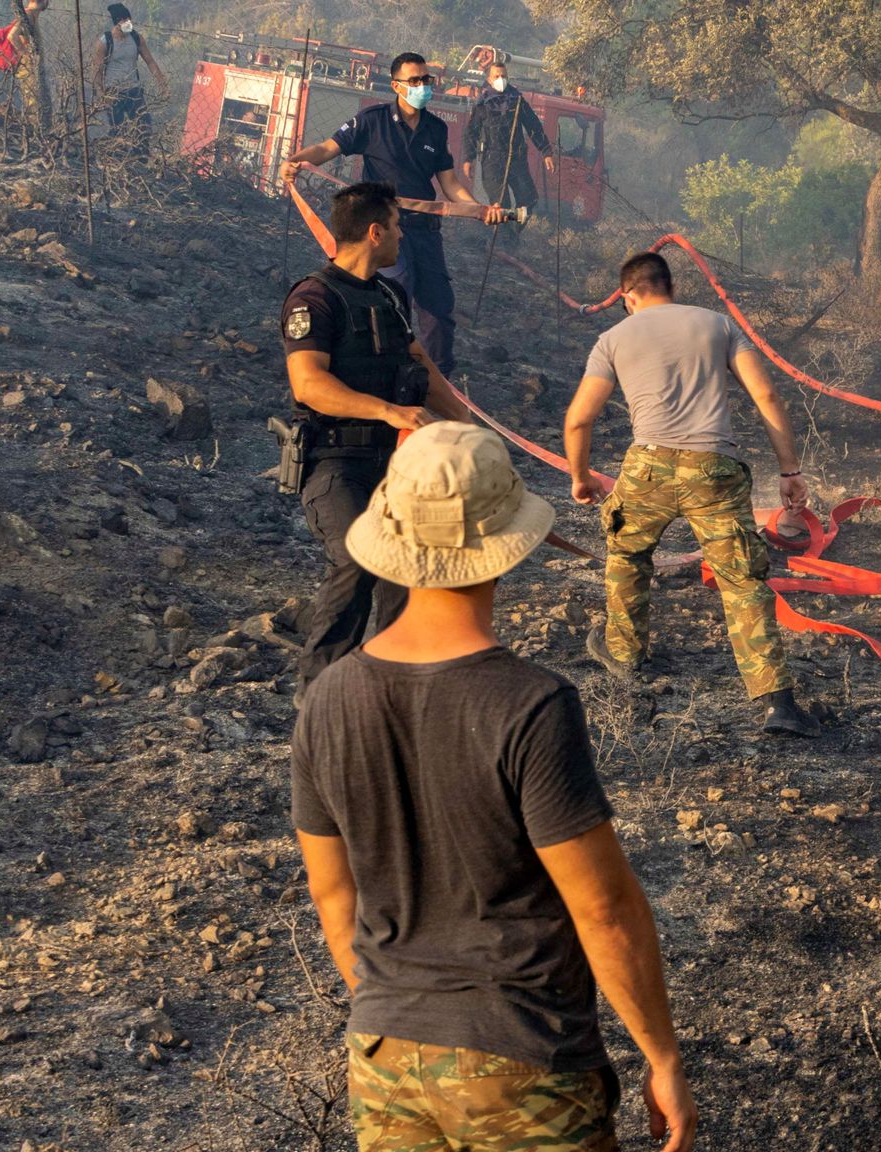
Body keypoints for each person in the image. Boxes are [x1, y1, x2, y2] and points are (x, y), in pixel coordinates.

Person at [293, 422, 697, 1152]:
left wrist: (397, 1011)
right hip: (523, 1056)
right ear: (505, 549)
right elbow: (601, 907)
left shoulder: (326, 698)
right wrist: (661, 1055)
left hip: (383, 1057)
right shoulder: (531, 704)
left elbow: (333, 894)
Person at [564, 253, 822, 738]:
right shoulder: (719, 325)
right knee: (743, 581)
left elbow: (580, 418)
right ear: (670, 287)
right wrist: (789, 470)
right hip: (714, 470)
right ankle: (777, 704)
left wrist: (581, 476)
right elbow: (766, 396)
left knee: (626, 556)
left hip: (648, 469)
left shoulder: (613, 338)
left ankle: (624, 652)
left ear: (627, 296)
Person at [279, 181, 477, 698]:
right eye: (396, 225)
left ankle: (393, 686)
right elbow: (309, 384)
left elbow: (423, 367)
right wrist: (391, 412)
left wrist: (471, 430)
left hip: (397, 463)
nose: (400, 236)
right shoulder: (314, 297)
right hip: (335, 462)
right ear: (374, 232)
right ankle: (318, 694)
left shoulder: (391, 294)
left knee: (408, 570)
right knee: (358, 557)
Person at [278, 52, 507, 379]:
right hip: (385, 230)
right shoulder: (371, 121)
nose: (422, 86)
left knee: (438, 309)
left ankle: (437, 382)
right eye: (414, 81)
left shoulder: (436, 129)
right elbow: (328, 148)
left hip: (426, 232)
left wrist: (480, 211)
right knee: (392, 299)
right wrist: (296, 161)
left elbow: (450, 183)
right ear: (397, 85)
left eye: (426, 80)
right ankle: (387, 373)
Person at [463, 60, 554, 247]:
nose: (501, 80)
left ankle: (513, 233)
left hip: (517, 159)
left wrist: (546, 151)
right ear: (489, 79)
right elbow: (471, 132)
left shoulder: (517, 100)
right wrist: (468, 159)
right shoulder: (482, 103)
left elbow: (533, 126)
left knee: (529, 198)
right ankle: (504, 243)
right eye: (497, 76)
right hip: (492, 161)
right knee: (500, 206)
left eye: (504, 76)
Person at [89, 4, 168, 147]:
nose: (128, 23)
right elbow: (97, 70)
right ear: (117, 22)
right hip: (113, 91)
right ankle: (114, 157)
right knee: (117, 129)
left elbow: (150, 61)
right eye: (125, 20)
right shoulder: (105, 42)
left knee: (143, 125)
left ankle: (141, 156)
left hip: (134, 90)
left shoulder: (136, 38)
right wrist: (101, 94)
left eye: (129, 19)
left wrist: (162, 83)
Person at [5, 0, 48, 143]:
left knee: (37, 101)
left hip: (32, 67)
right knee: (32, 102)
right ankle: (34, 138)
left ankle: (38, 135)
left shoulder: (32, 16)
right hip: (28, 68)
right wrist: (26, 55)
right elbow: (12, 36)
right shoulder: (28, 16)